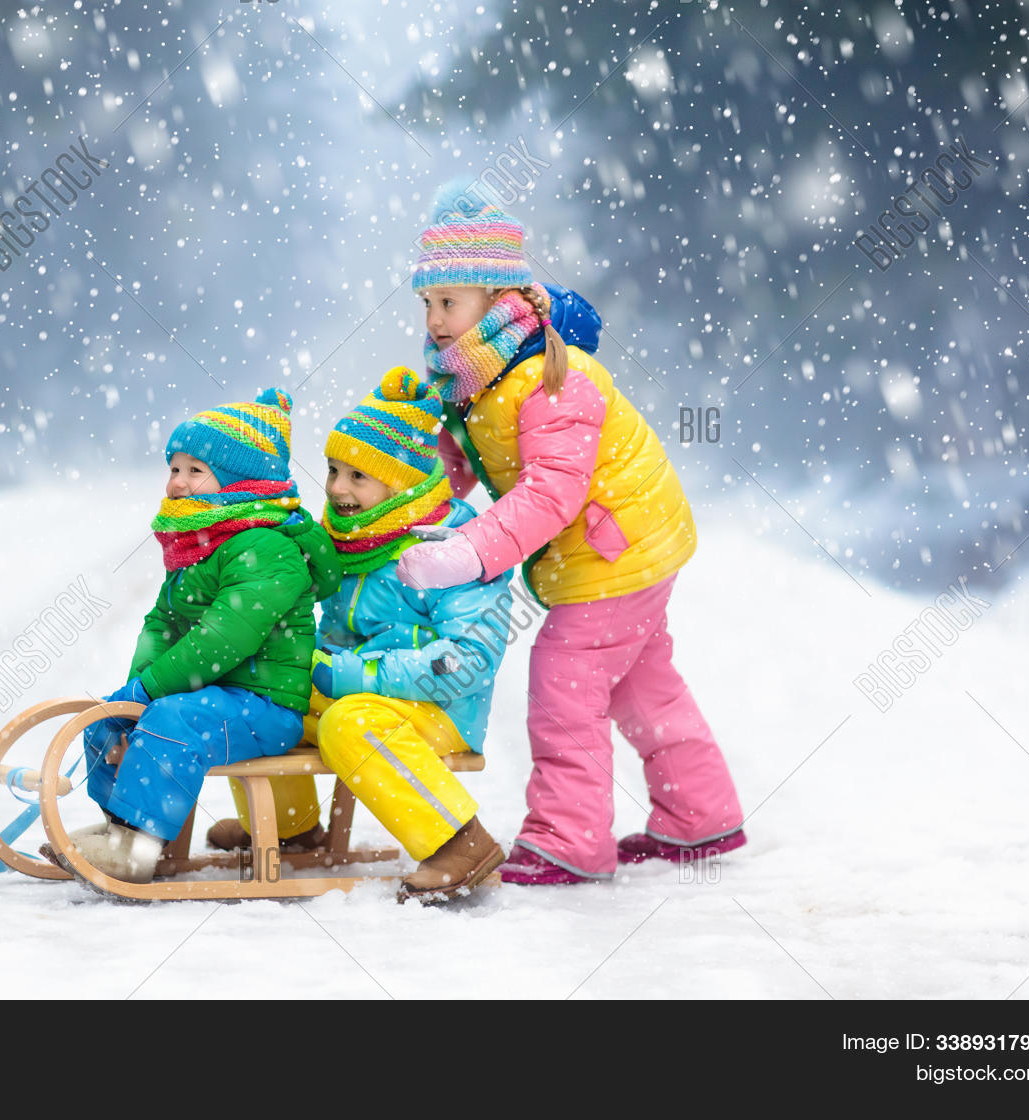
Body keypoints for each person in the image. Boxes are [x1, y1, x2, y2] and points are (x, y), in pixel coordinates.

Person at [396, 182, 747, 884]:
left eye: (448, 303)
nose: (434, 321)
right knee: (642, 685)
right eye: (429, 304)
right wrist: (406, 492)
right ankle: (700, 818)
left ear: (497, 304)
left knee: (566, 680)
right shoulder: (479, 380)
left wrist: (469, 553)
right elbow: (468, 465)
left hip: (616, 548)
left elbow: (551, 492)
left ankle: (571, 838)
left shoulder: (554, 377)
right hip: (624, 547)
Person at [207, 367, 514, 902]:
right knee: (260, 693)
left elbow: (468, 659)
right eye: (332, 470)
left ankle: (458, 840)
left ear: (402, 483)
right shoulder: (351, 543)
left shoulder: (454, 548)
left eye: (357, 476)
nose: (337, 488)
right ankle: (291, 828)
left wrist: (353, 673)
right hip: (360, 691)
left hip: (441, 709)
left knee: (350, 722)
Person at [45, 387, 342, 884]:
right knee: (108, 717)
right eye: (175, 468)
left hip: (265, 706)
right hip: (214, 694)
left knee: (170, 719)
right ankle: (119, 828)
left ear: (241, 483)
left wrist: (150, 691)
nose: (177, 483)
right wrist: (133, 689)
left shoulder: (267, 547)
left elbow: (224, 638)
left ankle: (139, 847)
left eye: (194, 471)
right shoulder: (196, 546)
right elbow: (161, 624)